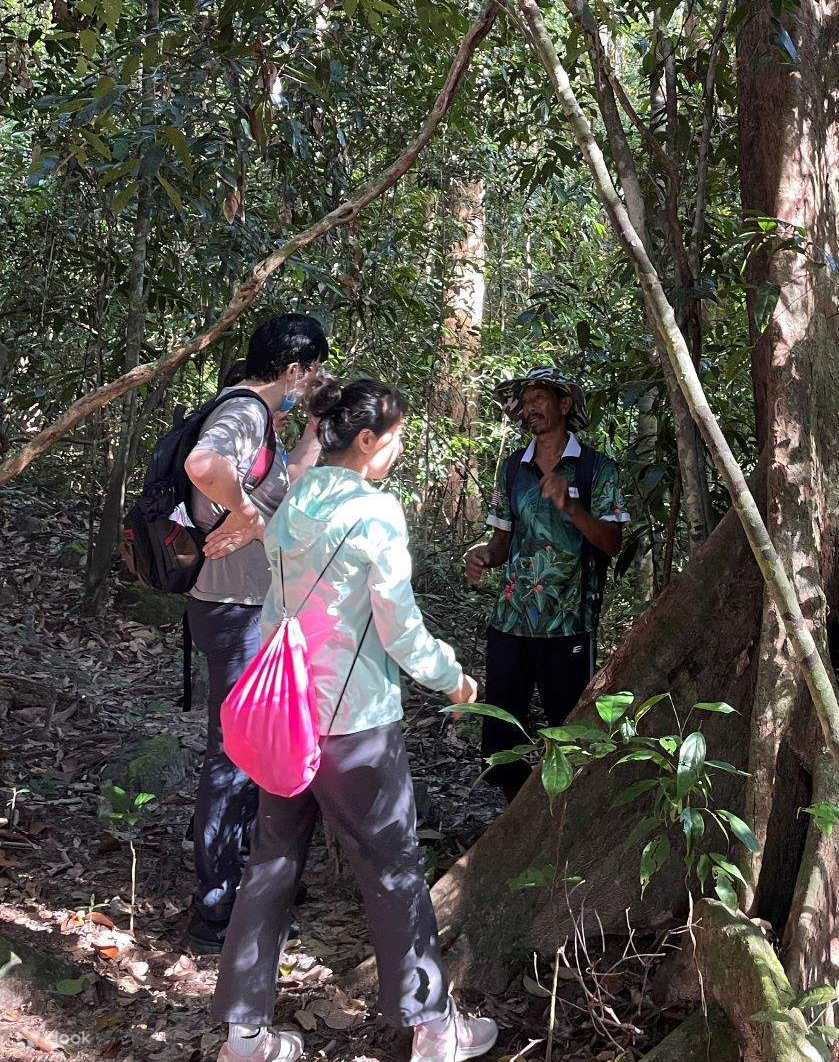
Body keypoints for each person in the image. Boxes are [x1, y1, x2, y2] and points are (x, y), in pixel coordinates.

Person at [211, 378, 496, 1062]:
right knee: (394, 867)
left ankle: (244, 1034)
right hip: (356, 722)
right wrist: (453, 679)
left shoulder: (293, 495)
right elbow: (399, 629)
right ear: (366, 442)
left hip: (286, 718)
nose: (395, 452)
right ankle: (432, 1029)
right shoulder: (376, 511)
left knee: (272, 863)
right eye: (393, 440)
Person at [182, 314, 330, 954]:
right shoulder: (243, 411)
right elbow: (204, 463)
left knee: (245, 749)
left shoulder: (265, 420)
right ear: (294, 368)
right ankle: (215, 908)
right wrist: (243, 513)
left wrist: (312, 439)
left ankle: (235, 883)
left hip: (244, 604)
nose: (316, 380)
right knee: (236, 753)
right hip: (230, 605)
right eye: (314, 370)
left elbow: (280, 485)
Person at [464, 367, 630, 801]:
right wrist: (483, 555)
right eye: (525, 399)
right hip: (511, 620)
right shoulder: (512, 469)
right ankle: (515, 816)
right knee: (500, 733)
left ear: (564, 404)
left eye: (539, 396)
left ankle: (566, 816)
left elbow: (612, 543)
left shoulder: (596, 469)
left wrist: (572, 507)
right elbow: (503, 542)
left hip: (569, 624)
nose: (530, 406)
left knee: (570, 726)